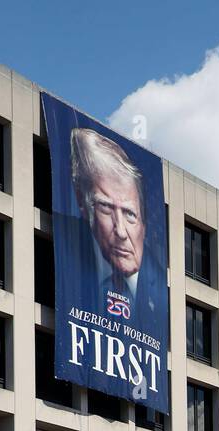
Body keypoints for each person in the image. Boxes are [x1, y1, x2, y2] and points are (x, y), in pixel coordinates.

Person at [69, 126, 164, 327]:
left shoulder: (160, 283)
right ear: (83, 204)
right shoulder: (66, 249)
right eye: (105, 207)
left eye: (130, 214)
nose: (120, 232)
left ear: (144, 224)